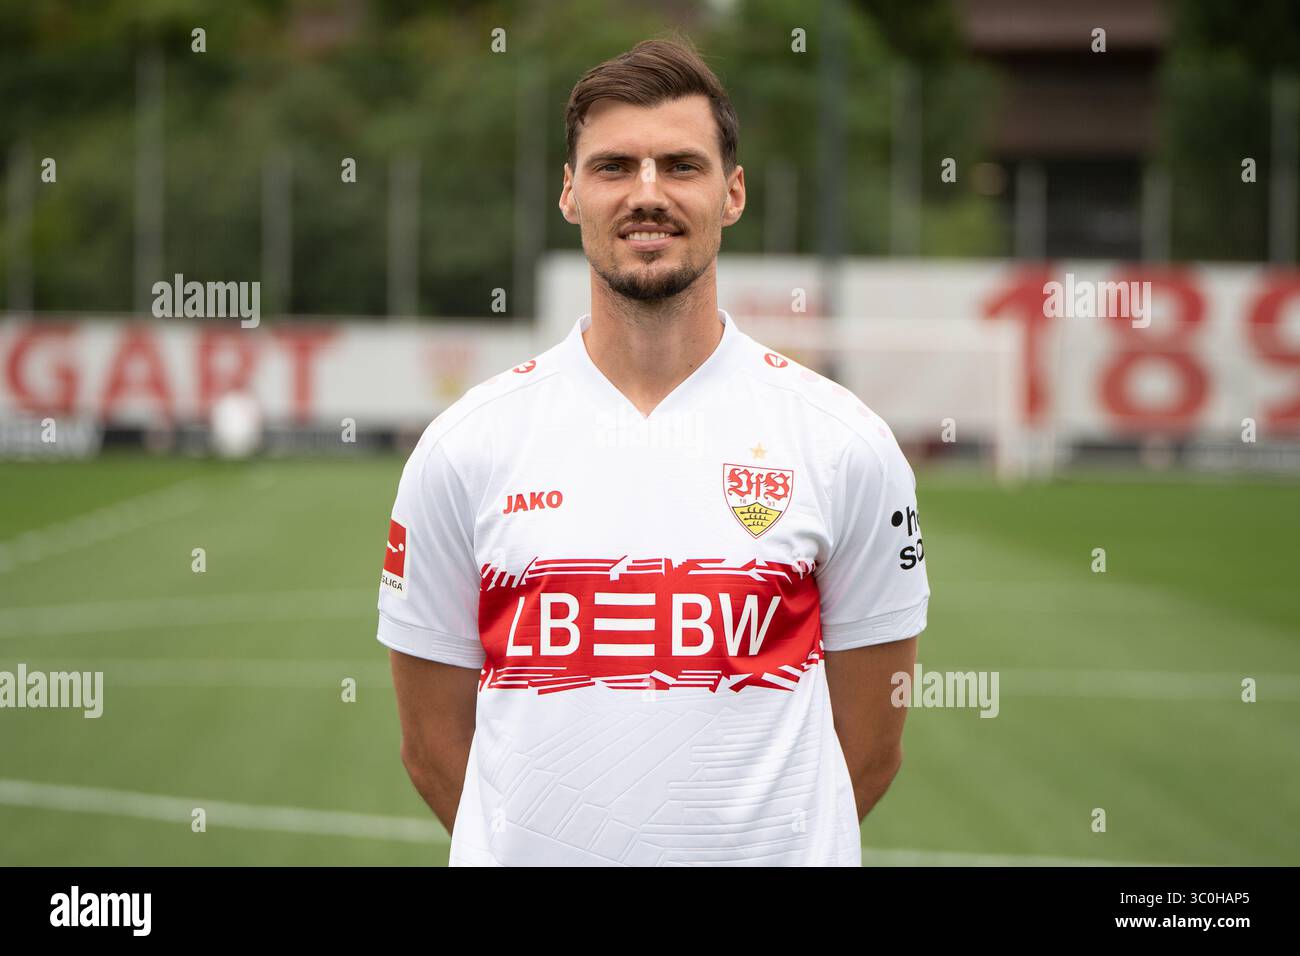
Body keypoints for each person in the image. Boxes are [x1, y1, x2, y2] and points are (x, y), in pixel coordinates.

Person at [377, 35, 929, 866]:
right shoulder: (467, 446)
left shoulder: (844, 443)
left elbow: (871, 748)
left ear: (732, 193)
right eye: (612, 168)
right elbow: (430, 746)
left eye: (680, 165)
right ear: (569, 193)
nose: (647, 195)